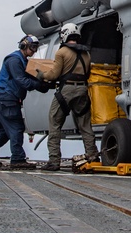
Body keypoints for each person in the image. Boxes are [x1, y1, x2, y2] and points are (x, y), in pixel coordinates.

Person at [0, 34, 49, 169]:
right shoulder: (14, 60)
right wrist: (40, 86)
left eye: (36, 48)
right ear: (24, 46)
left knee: (3, 131)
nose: (34, 51)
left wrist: (44, 84)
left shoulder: (22, 61)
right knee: (16, 128)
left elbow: (29, 77)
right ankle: (17, 159)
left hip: (1, 97)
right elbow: (21, 80)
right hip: (6, 98)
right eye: (32, 47)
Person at [36, 22, 99, 171]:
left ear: (64, 35)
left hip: (66, 91)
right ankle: (93, 156)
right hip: (83, 90)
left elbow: (54, 74)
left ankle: (54, 161)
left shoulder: (61, 52)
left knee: (55, 123)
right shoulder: (86, 54)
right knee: (85, 125)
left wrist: (41, 75)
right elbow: (88, 73)